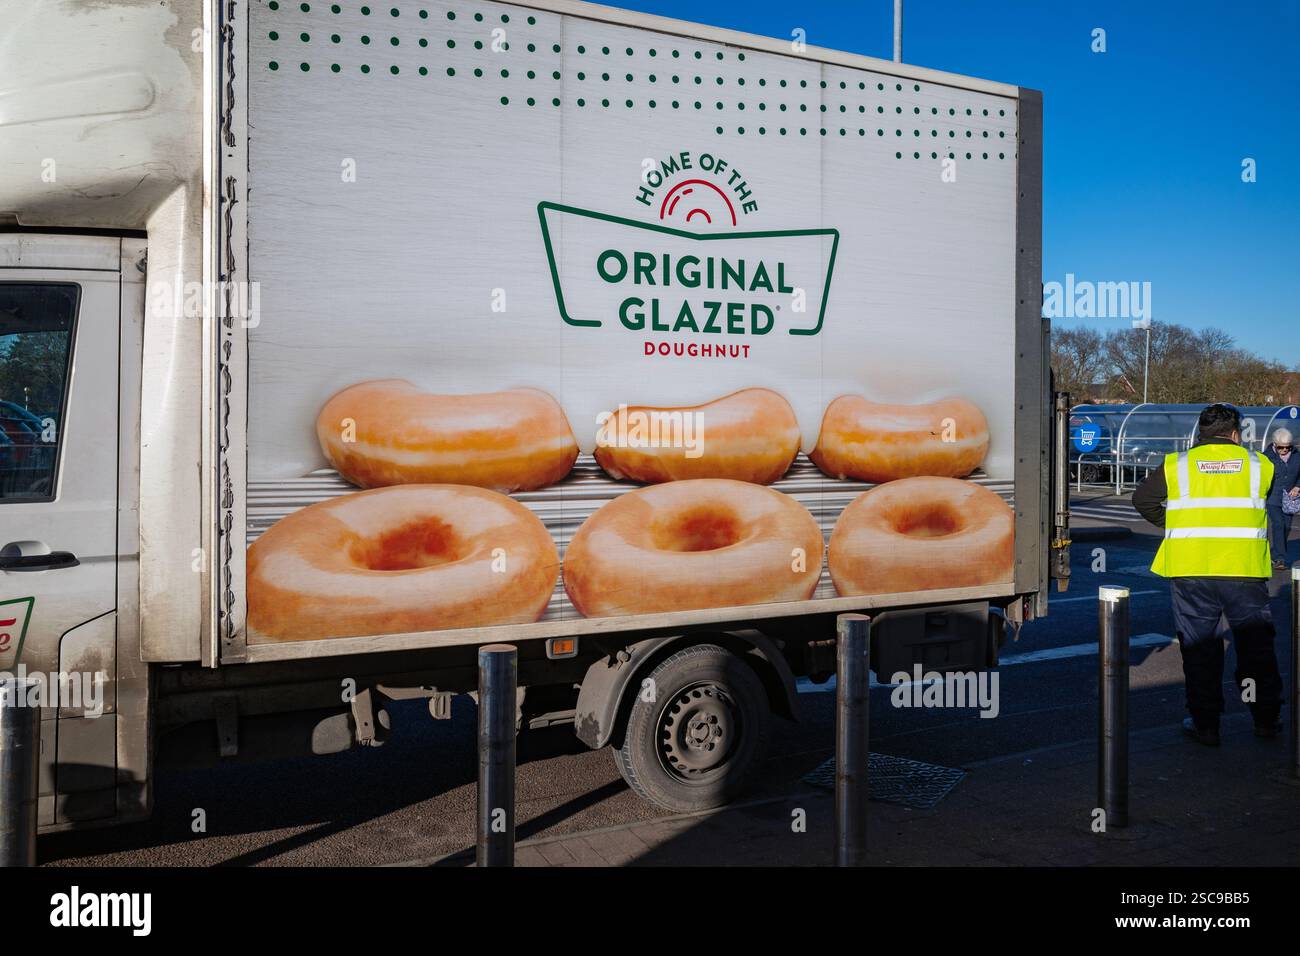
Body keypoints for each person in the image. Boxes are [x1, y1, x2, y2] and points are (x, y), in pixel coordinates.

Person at [1132, 403, 1284, 746]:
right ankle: (1265, 719)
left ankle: (1206, 726)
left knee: (1200, 649)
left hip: (1192, 569)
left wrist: (1175, 523)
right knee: (1255, 647)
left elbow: (1142, 499)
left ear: (1200, 434)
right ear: (1236, 434)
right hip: (1243, 569)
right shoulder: (1261, 465)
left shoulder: (1177, 464)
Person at [1263, 427, 1300, 570]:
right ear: (1274, 444)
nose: (1285, 450)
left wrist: (1297, 486)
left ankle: (1275, 554)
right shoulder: (1266, 457)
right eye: (1281, 447)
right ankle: (1280, 559)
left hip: (1290, 499)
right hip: (1273, 498)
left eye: (1288, 447)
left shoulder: (1297, 456)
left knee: (1286, 527)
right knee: (1278, 524)